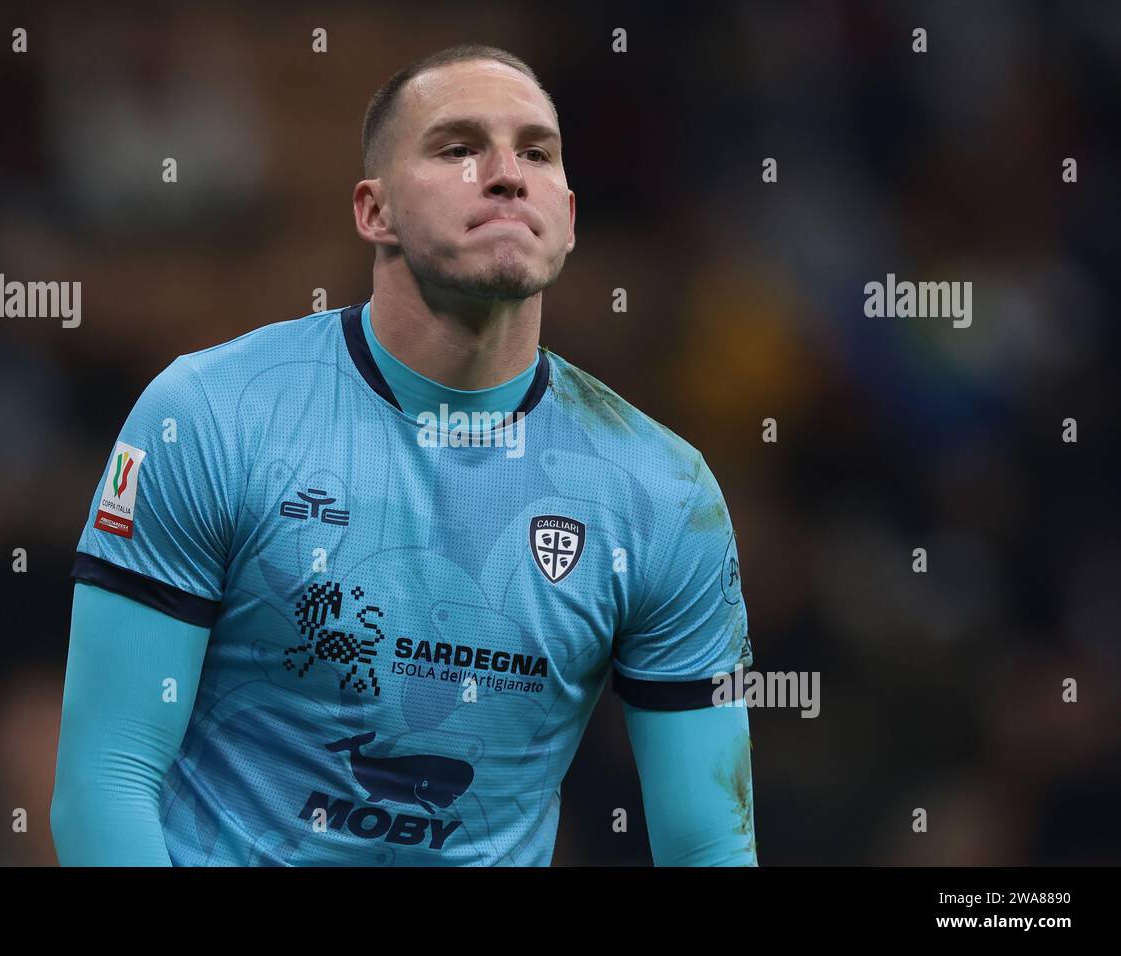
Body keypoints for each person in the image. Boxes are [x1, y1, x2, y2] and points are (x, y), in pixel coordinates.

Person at [50, 43, 756, 866]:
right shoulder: (208, 416)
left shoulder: (664, 494)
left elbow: (709, 844)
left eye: (536, 152)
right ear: (372, 211)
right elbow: (105, 780)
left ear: (567, 213)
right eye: (458, 148)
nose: (504, 173)